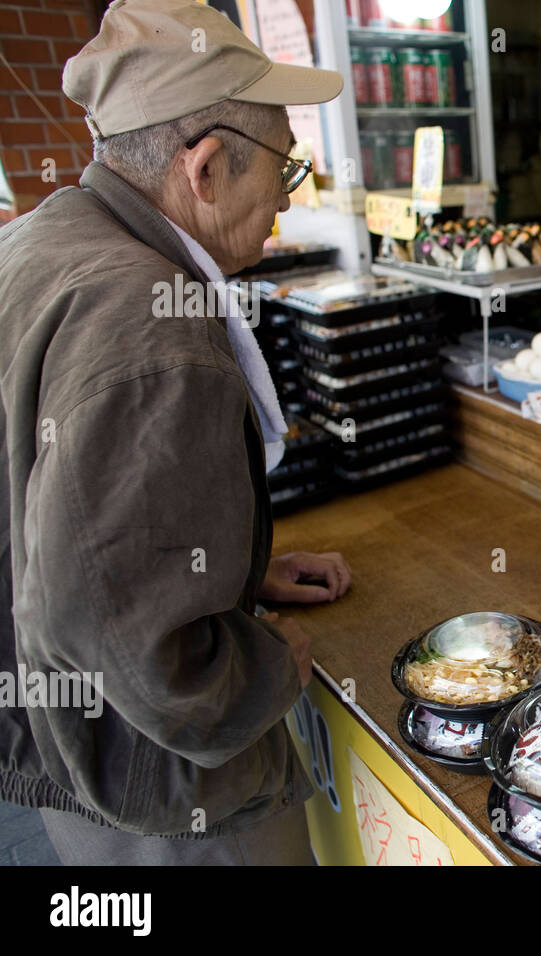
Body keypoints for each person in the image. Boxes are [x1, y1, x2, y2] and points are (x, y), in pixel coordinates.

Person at [0, 0, 350, 865]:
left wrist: (222, 569)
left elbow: (65, 519)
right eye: (285, 168)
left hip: (58, 744)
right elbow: (123, 637)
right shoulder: (152, 322)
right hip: (159, 791)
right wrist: (260, 669)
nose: (285, 197)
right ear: (205, 168)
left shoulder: (42, 239)